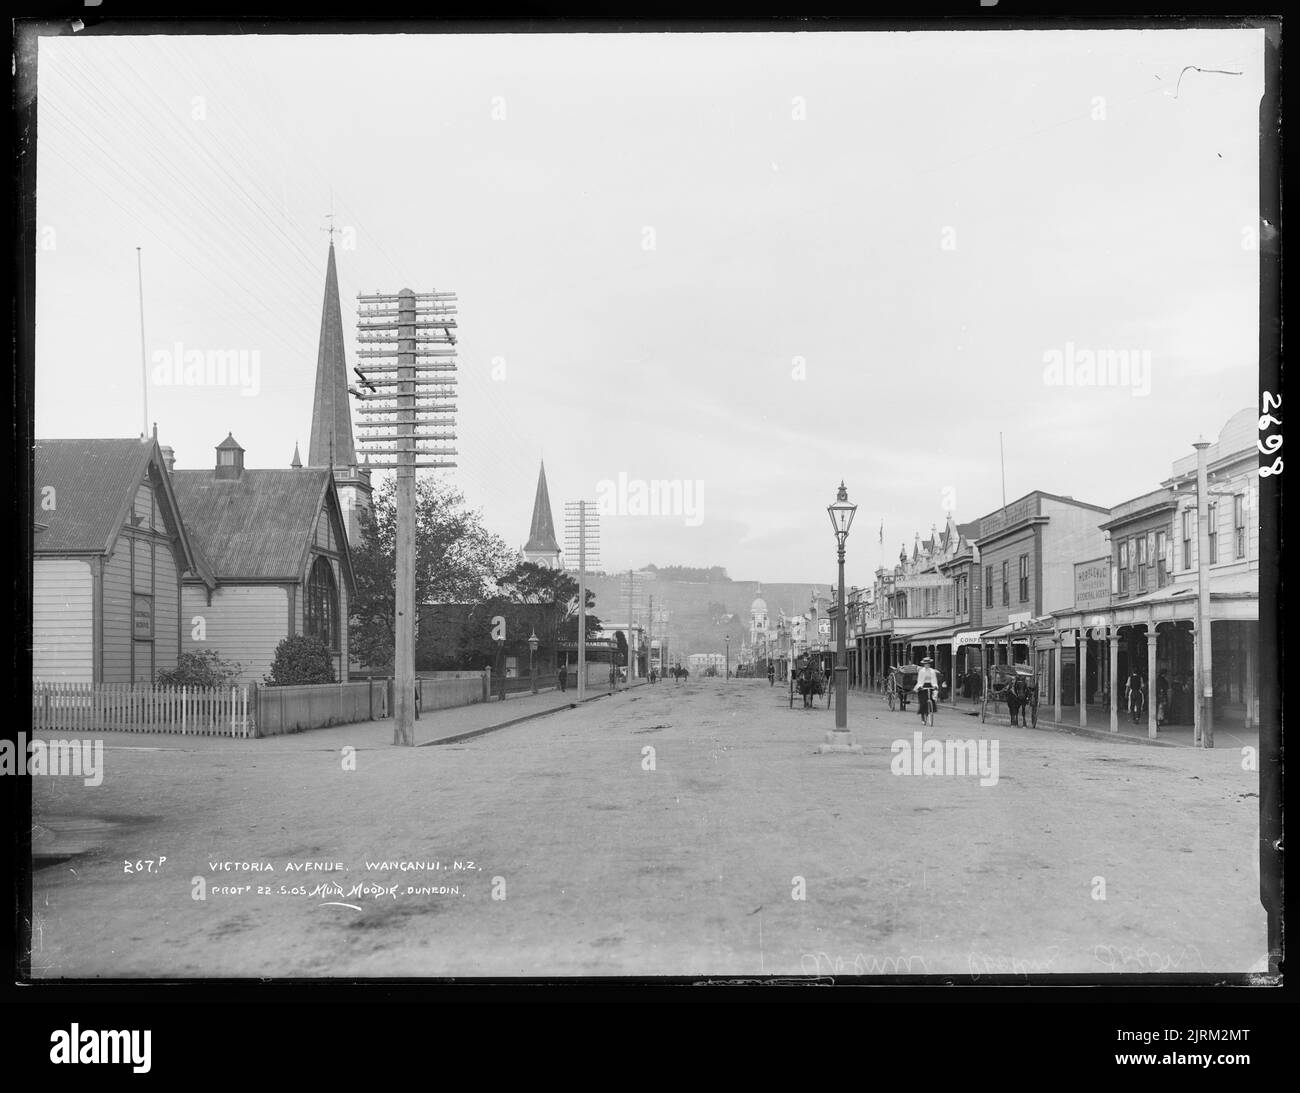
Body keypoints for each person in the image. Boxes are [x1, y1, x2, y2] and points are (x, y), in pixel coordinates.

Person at [913, 657, 940, 721]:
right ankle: (923, 715)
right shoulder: (921, 671)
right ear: (924, 664)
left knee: (931, 698)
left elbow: (934, 679)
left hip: (930, 685)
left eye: (928, 664)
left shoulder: (932, 671)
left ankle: (929, 712)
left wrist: (935, 686)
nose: (927, 665)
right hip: (922, 685)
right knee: (923, 701)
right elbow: (919, 680)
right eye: (926, 664)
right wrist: (919, 686)